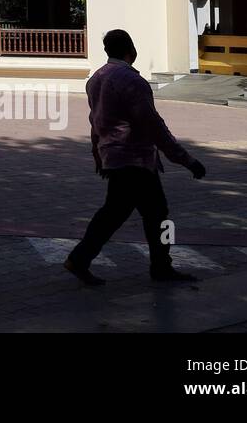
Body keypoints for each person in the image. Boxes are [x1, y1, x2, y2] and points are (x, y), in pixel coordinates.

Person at [65, 29, 207, 287]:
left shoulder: (96, 79)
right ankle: (160, 266)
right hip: (136, 159)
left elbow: (95, 122)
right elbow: (153, 125)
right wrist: (185, 159)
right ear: (131, 49)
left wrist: (98, 154)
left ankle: (82, 258)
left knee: (117, 213)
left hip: (114, 156)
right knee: (155, 214)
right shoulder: (132, 81)